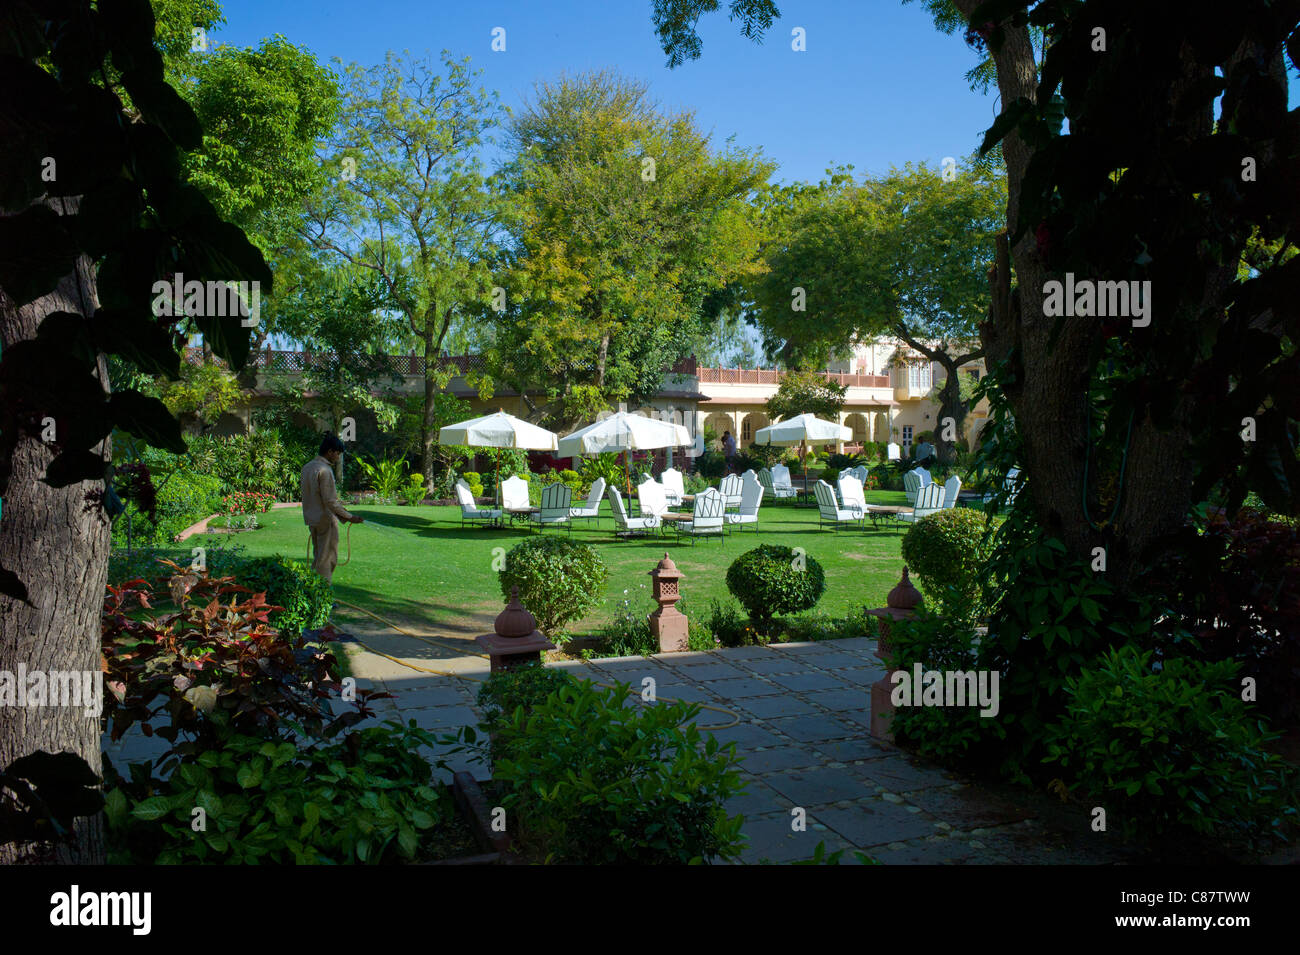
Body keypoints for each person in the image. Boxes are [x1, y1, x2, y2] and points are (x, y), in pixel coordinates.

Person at [300, 433, 363, 583]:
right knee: (327, 560)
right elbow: (330, 501)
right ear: (330, 451)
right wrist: (349, 517)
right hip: (325, 520)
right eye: (337, 453)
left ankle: (313, 592)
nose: (338, 457)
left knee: (319, 557)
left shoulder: (307, 467)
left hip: (312, 519)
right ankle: (323, 597)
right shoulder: (325, 470)